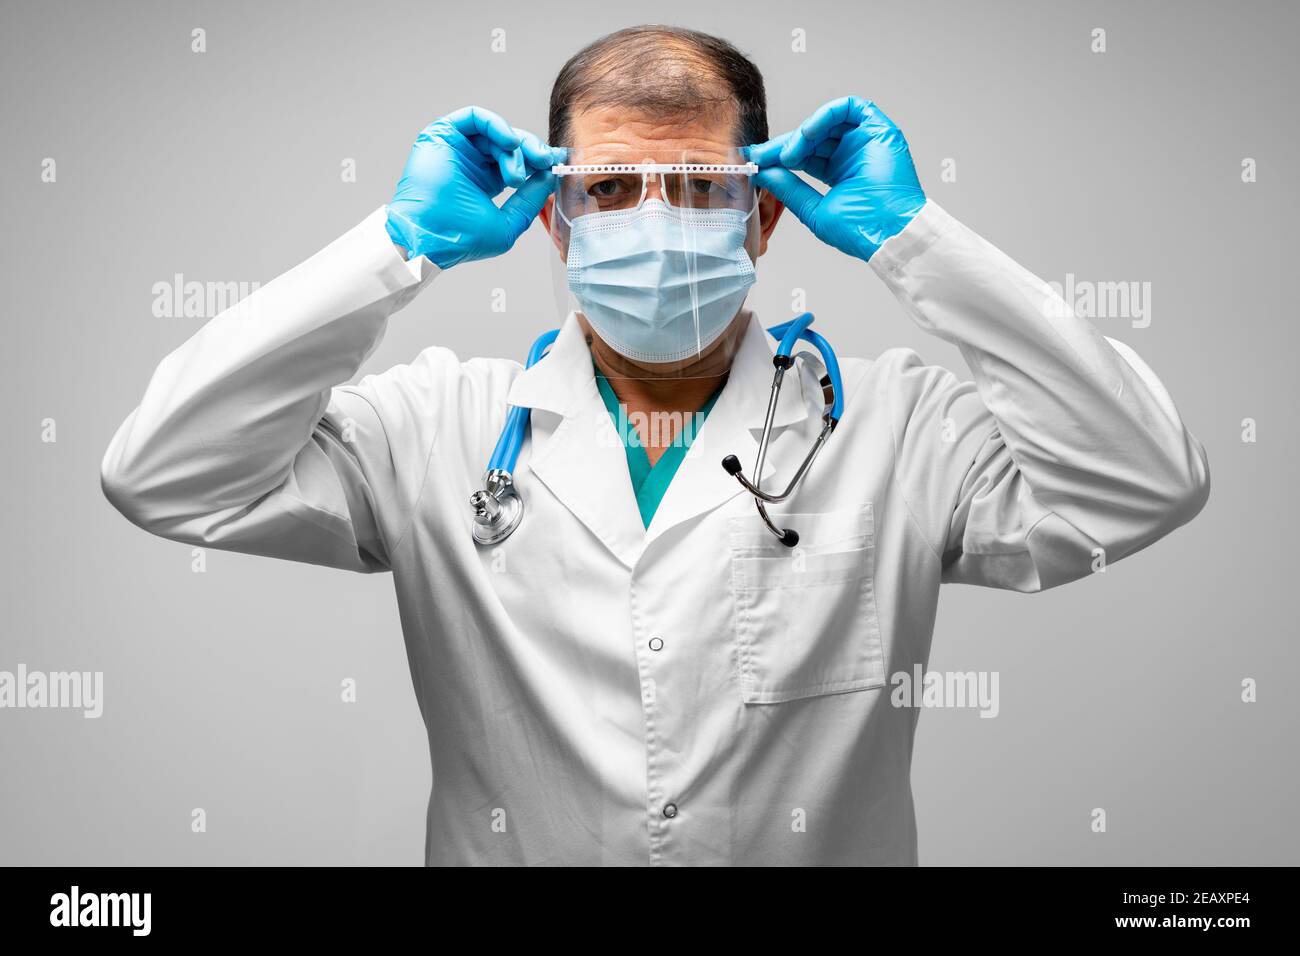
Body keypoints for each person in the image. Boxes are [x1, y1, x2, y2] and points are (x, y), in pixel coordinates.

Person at [100, 26, 1209, 866]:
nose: (655, 220)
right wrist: (397, 250)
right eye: (612, 188)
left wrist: (917, 243)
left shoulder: (898, 424)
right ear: (554, 215)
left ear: (763, 216)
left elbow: (1140, 482)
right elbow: (164, 473)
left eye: (699, 187)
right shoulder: (433, 427)